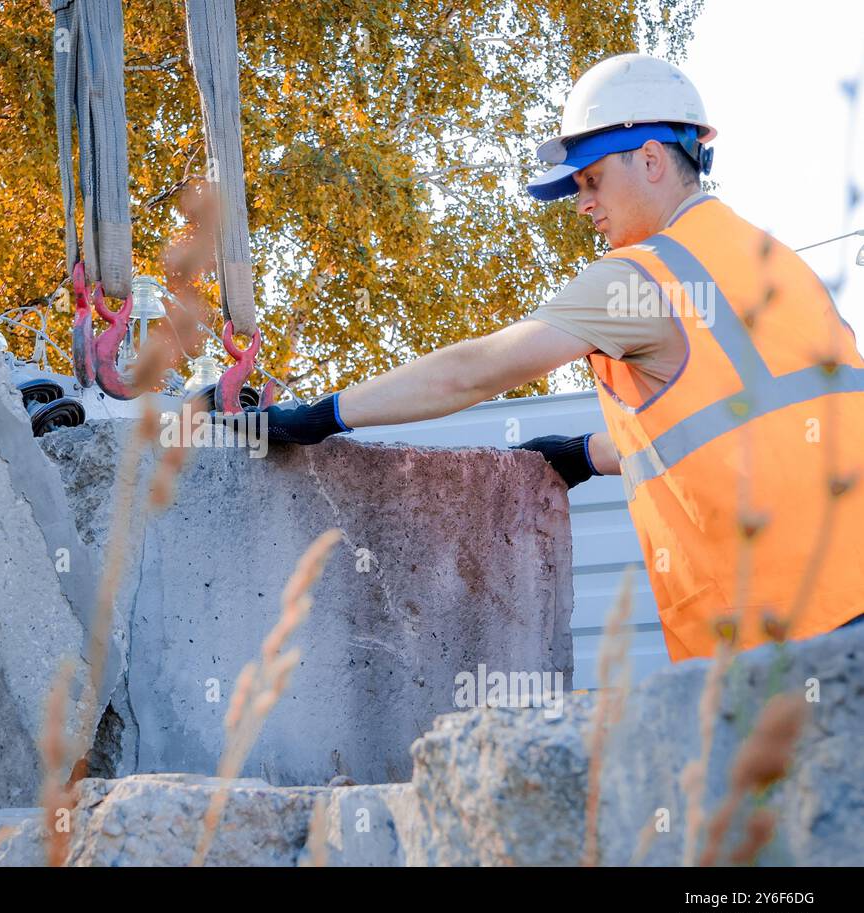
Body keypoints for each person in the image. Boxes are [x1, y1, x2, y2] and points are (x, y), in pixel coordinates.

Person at [252, 53, 864, 662]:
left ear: (650, 159)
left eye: (592, 179)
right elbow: (745, 422)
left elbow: (473, 371)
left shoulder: (643, 275)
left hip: (784, 629)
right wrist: (588, 453)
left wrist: (321, 415)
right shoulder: (779, 264)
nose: (582, 204)